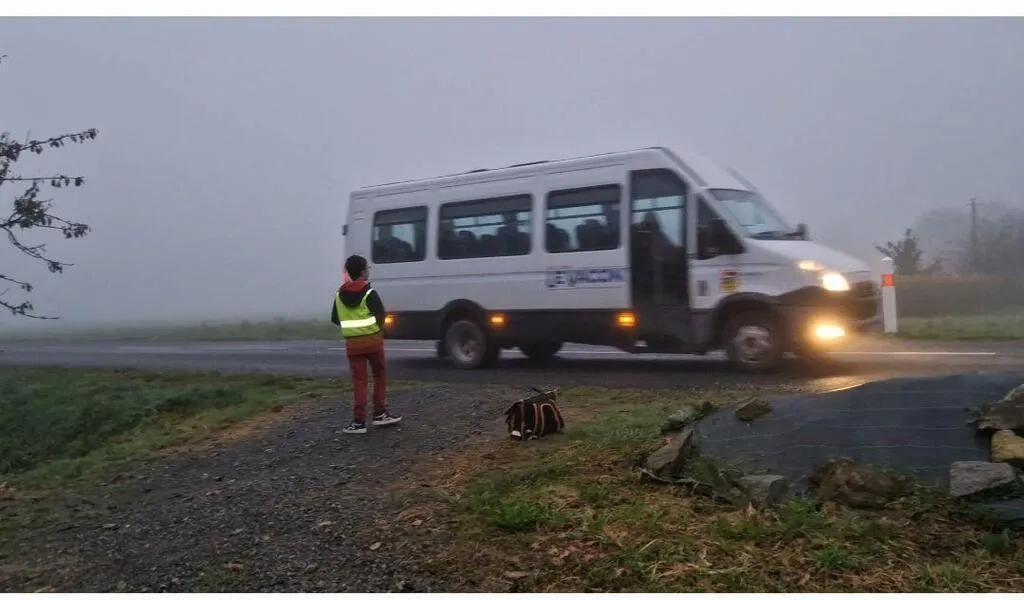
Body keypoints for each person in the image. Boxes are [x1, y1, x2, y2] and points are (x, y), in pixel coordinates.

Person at [330, 254, 402, 434]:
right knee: (379, 376)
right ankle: (379, 414)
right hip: (373, 342)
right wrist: (375, 329)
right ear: (362, 272)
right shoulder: (369, 293)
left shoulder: (339, 295)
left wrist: (352, 328)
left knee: (360, 381)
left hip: (353, 345)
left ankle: (358, 422)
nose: (369, 271)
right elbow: (381, 315)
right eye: (367, 268)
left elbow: (335, 319)